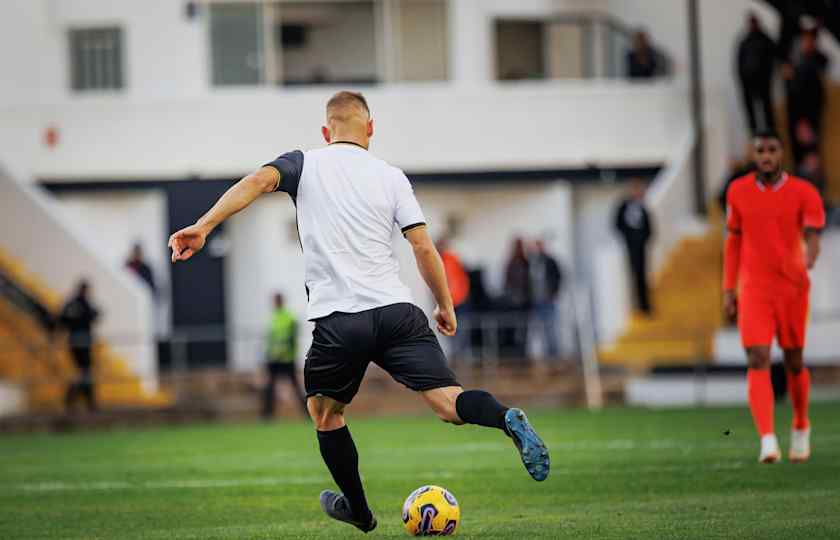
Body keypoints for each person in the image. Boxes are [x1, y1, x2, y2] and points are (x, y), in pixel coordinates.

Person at [168, 91, 549, 532]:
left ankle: (360, 511)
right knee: (448, 402)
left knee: (326, 415)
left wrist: (203, 226)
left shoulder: (303, 163)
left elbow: (255, 182)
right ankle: (505, 417)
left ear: (326, 133)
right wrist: (444, 304)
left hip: (340, 319)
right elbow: (422, 245)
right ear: (371, 128)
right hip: (398, 312)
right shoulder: (391, 176)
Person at [723, 130, 824, 464]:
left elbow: (812, 233)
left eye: (771, 150)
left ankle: (800, 425)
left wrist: (809, 254)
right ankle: (767, 439)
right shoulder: (737, 191)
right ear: (753, 155)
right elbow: (733, 241)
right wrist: (728, 289)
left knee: (794, 360)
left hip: (792, 288)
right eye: (760, 151)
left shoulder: (803, 192)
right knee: (757, 357)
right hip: (754, 288)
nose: (765, 156)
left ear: (782, 153)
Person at [783, 28, 829, 165]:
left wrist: (804, 121)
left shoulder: (813, 63)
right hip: (797, 118)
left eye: (809, 40)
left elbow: (810, 95)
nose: (805, 43)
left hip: (806, 119)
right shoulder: (798, 62)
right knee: (800, 156)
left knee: (809, 156)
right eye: (804, 40)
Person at [262, 292, 307, 419]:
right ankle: (268, 414)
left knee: (295, 387)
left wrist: (285, 352)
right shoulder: (273, 317)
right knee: (270, 388)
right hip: (274, 359)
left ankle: (307, 412)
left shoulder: (289, 317)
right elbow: (270, 340)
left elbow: (291, 339)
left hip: (287, 359)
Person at [58, 279, 100, 412]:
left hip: (78, 340)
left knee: (84, 372)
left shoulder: (74, 303)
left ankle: (82, 400)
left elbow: (63, 318)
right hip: (80, 341)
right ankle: (78, 399)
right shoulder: (79, 303)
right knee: (85, 371)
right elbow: (91, 315)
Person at [614, 180, 654, 316]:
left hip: (641, 247)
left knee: (642, 276)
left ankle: (645, 306)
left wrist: (644, 239)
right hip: (629, 246)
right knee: (631, 276)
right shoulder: (624, 206)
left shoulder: (642, 207)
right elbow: (617, 224)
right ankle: (635, 306)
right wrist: (627, 238)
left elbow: (649, 227)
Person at [736, 13, 778, 133]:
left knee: (767, 112)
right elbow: (739, 64)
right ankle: (754, 135)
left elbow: (773, 57)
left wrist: (768, 76)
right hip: (748, 84)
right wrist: (742, 80)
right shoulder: (744, 42)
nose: (752, 25)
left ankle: (770, 134)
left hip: (763, 82)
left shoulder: (766, 40)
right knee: (751, 114)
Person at [436, 237, 471, 359]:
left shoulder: (451, 259)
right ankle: (456, 353)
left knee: (461, 328)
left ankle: (461, 354)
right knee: (450, 329)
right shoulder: (438, 261)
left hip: (458, 300)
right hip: (448, 301)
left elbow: (461, 279)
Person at [529, 240, 563, 359]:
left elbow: (559, 277)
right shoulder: (530, 262)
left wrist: (554, 293)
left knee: (551, 329)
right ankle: (540, 354)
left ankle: (553, 355)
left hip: (548, 301)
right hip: (534, 302)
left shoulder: (550, 261)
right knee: (537, 331)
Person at [503, 237, 532, 358]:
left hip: (524, 302)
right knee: (514, 328)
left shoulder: (526, 262)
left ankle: (522, 353)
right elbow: (508, 282)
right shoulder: (512, 263)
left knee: (524, 330)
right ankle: (515, 352)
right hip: (514, 303)